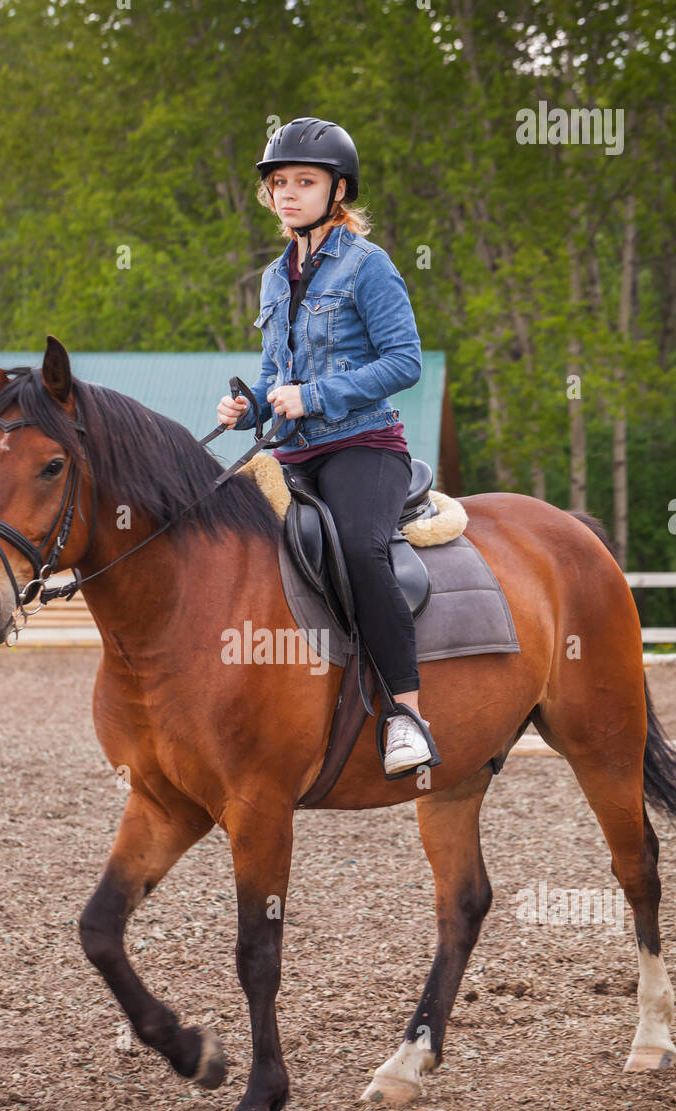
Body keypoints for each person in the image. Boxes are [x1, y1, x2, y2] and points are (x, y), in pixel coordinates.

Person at [217, 115, 432, 772]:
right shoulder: (273, 277)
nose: (288, 193)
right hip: (290, 453)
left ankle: (407, 715)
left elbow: (405, 362)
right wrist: (250, 403)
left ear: (337, 191)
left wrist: (314, 396)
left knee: (362, 552)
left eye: (304, 182)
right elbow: (272, 372)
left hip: (363, 445)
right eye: (279, 182)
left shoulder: (369, 267)